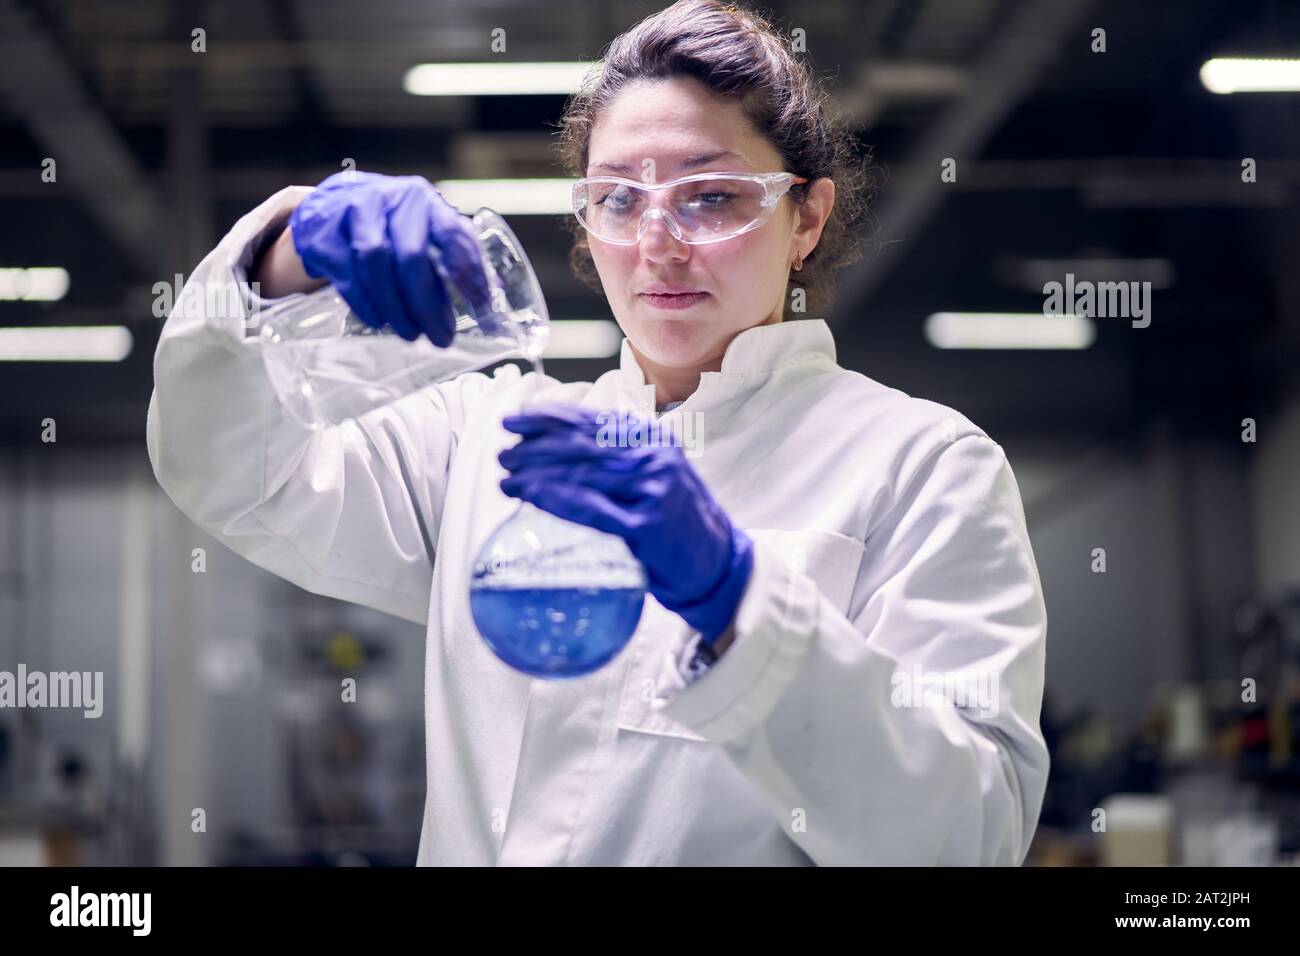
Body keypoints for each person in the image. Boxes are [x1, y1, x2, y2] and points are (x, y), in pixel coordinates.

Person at [147, 0, 1049, 865]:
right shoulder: (491, 438)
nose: (658, 245)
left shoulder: (922, 466)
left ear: (805, 218)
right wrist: (283, 259)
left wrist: (739, 601)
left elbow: (969, 833)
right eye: (619, 200)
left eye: (711, 197)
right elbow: (230, 471)